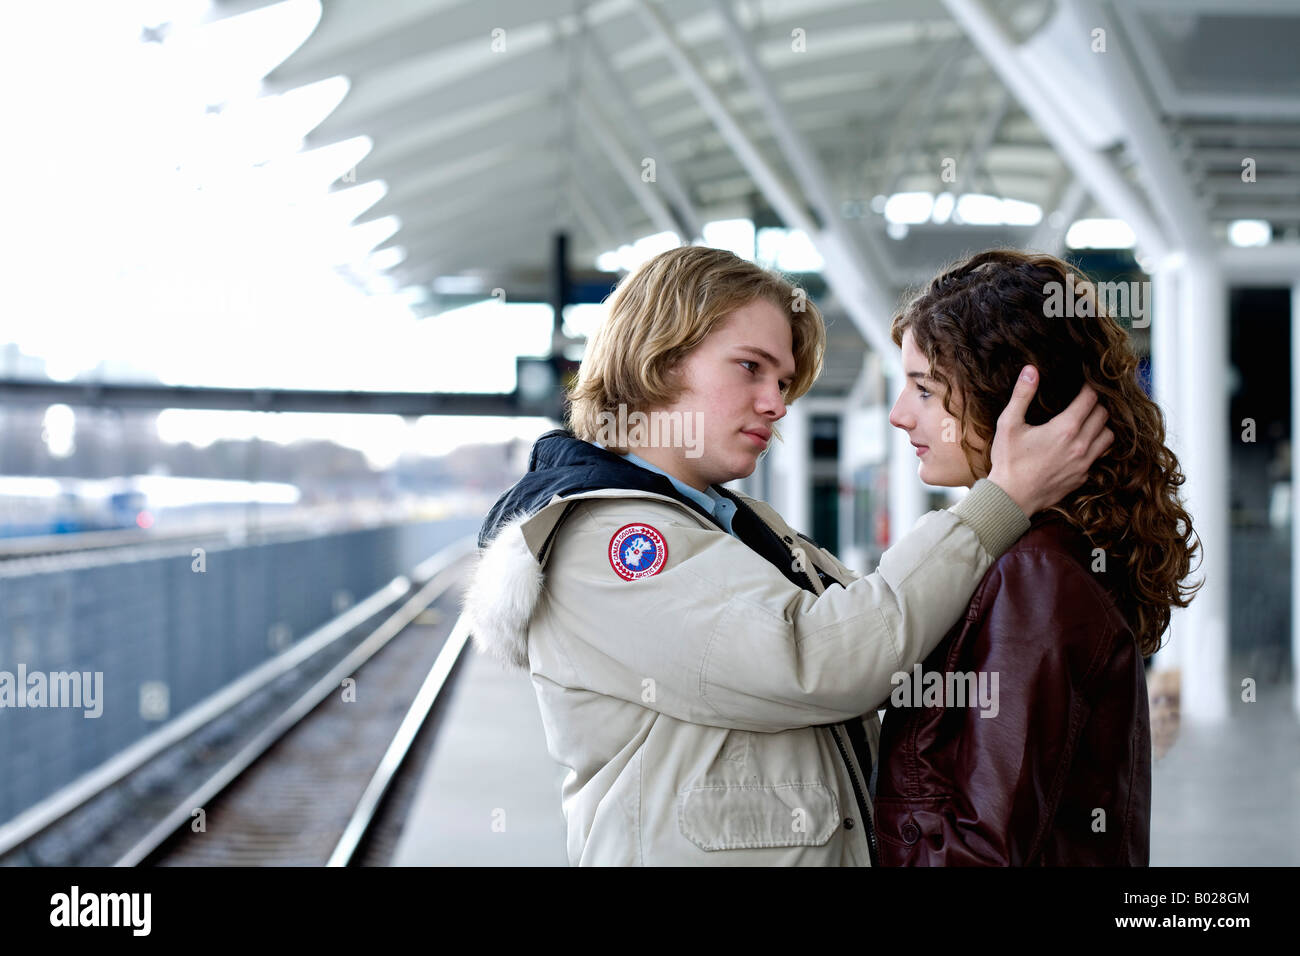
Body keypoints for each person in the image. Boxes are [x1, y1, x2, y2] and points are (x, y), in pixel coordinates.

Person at [464, 245, 1112, 866]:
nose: (776, 403)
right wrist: (998, 504)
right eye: (750, 367)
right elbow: (826, 659)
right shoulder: (612, 544)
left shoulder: (731, 522)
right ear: (658, 358)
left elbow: (879, 626)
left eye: (781, 380)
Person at [873, 249, 1201, 866]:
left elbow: (985, 851)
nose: (899, 414)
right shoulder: (1052, 553)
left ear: (1011, 399)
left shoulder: (1036, 573)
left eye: (924, 389)